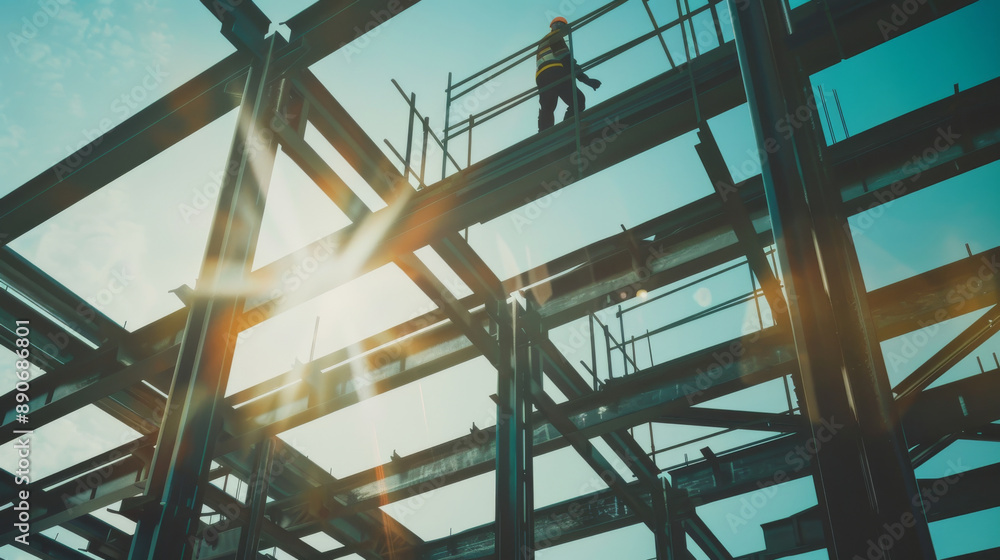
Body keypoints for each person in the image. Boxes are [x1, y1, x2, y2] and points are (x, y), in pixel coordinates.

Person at [535, 16, 602, 133]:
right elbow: (567, 60)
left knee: (547, 107)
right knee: (578, 100)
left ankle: (544, 136)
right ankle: (569, 127)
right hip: (556, 72)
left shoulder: (544, 40)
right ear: (556, 26)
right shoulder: (556, 37)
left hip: (542, 76)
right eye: (561, 25)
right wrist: (585, 79)